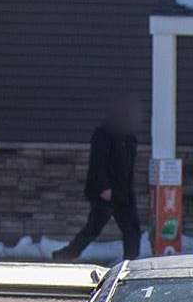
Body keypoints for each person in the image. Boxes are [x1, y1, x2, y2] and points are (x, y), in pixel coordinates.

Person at [53, 95, 141, 261]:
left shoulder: (129, 136)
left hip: (123, 191)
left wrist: (128, 189)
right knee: (94, 227)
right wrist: (103, 187)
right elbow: (98, 162)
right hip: (108, 192)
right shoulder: (105, 133)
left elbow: (127, 166)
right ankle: (65, 256)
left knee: (131, 228)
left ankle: (131, 261)